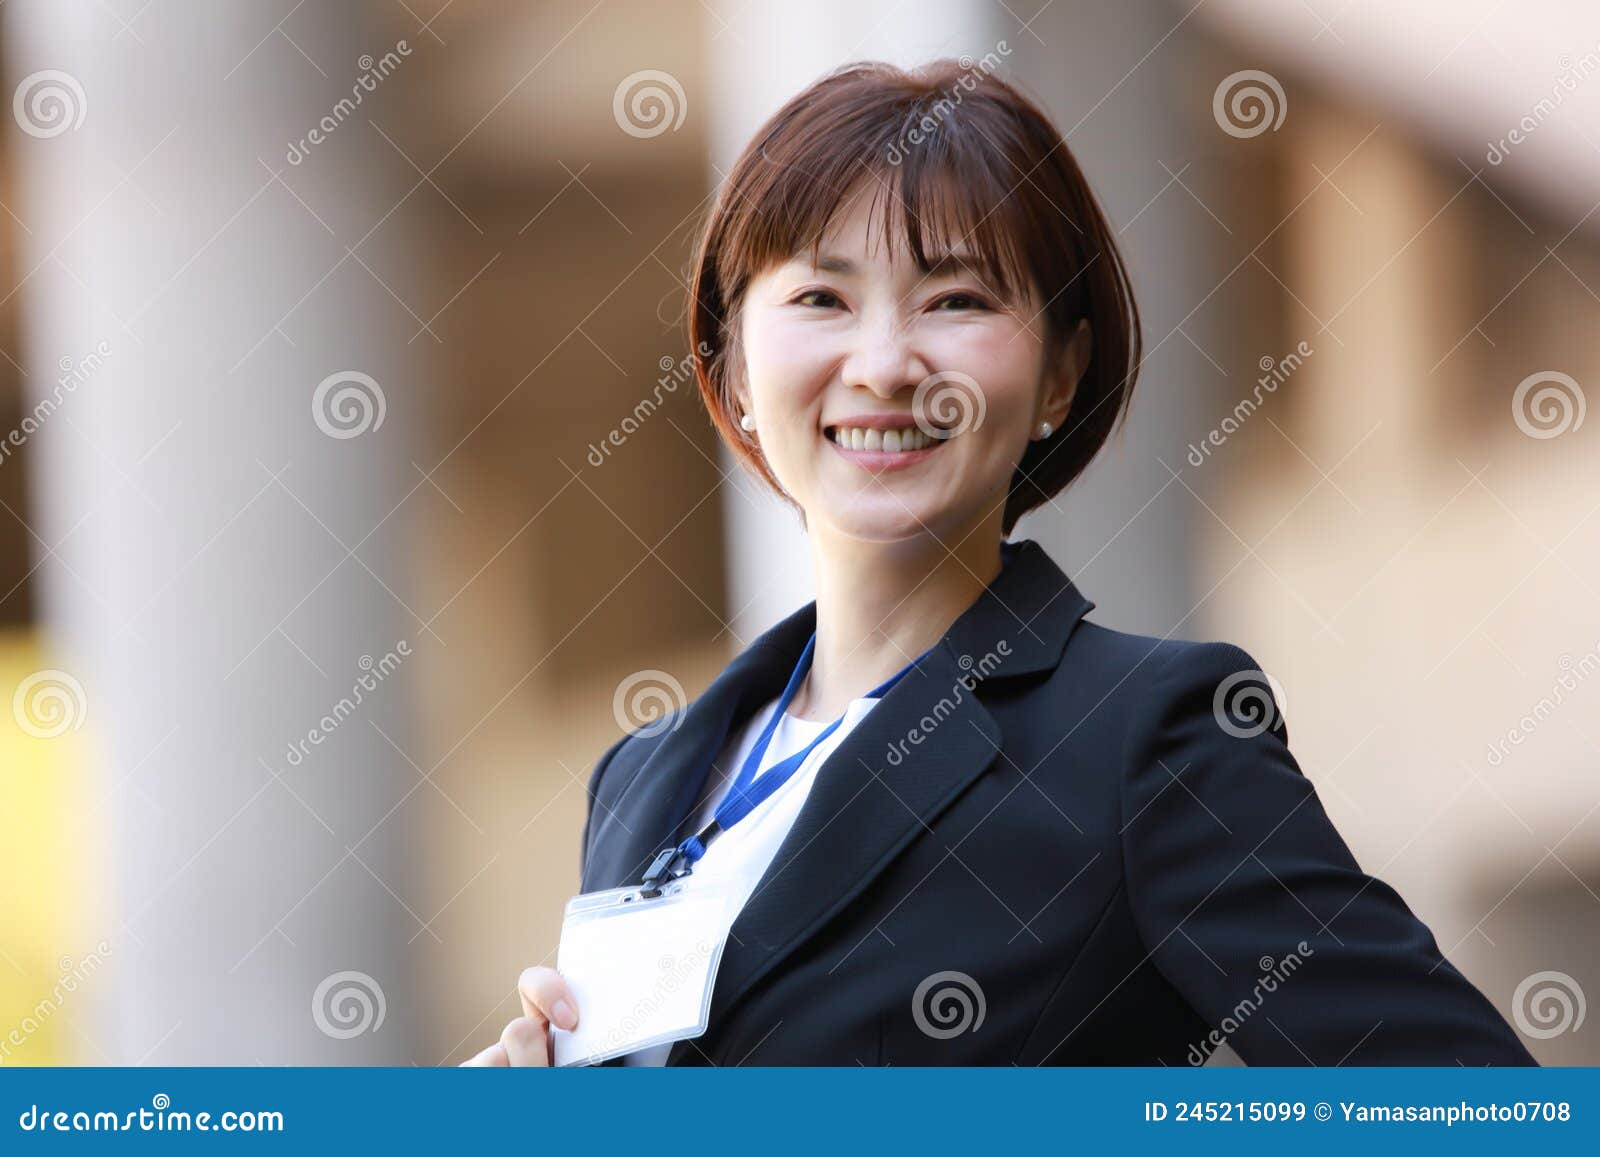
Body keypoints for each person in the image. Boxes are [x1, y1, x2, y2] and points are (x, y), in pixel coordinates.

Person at [463, 59, 1535, 1067]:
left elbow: (1469, 1102)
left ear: (1060, 376)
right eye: (820, 298)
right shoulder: (644, 778)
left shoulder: (1143, 740)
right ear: (735, 367)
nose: (883, 364)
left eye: (957, 299)